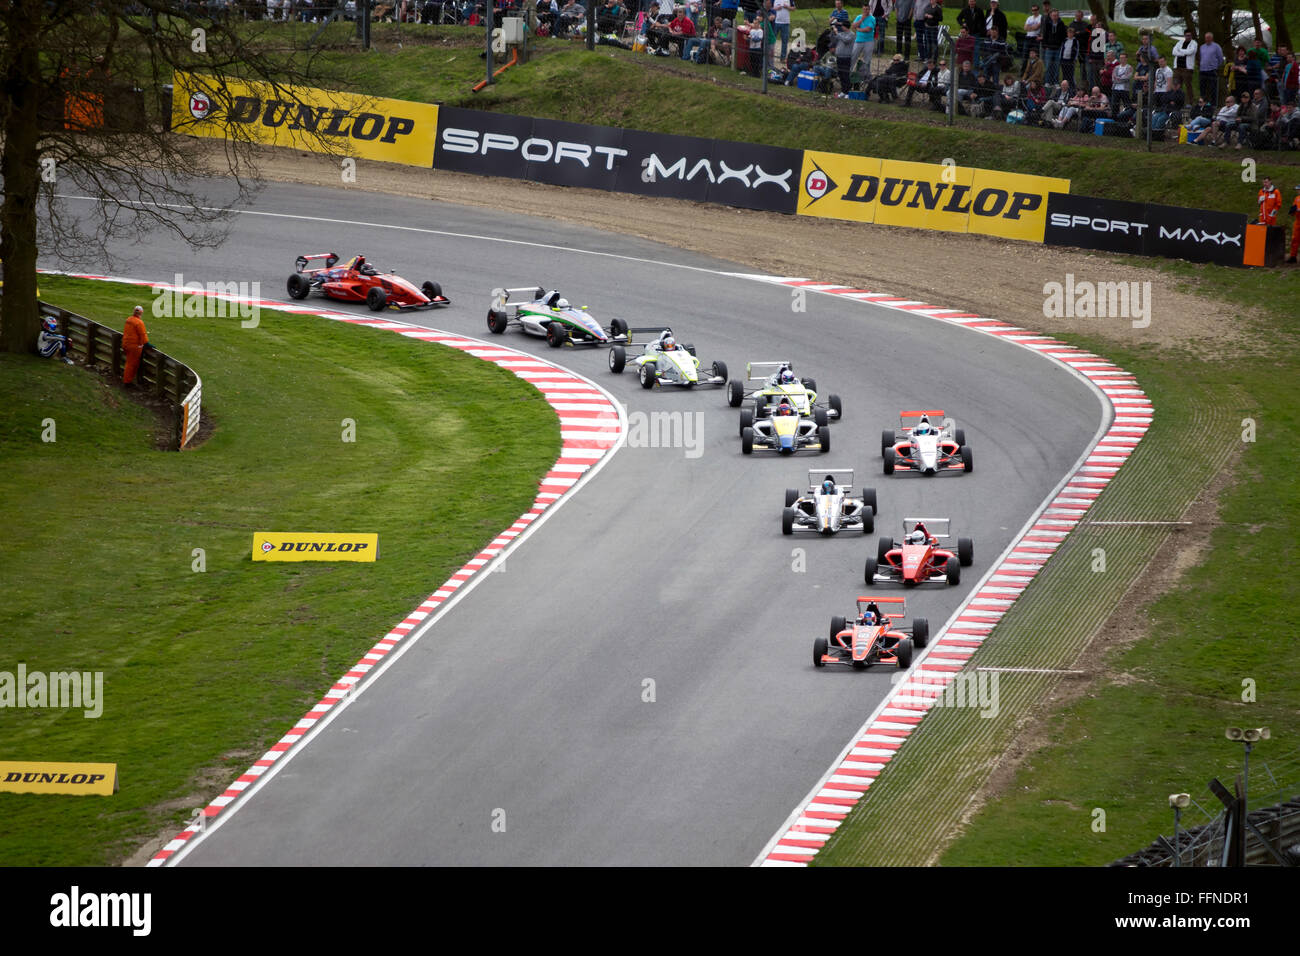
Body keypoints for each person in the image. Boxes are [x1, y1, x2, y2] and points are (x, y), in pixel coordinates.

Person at [122, 305, 150, 387]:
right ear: (141, 313)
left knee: (129, 363)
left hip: (125, 344)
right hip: (134, 346)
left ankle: (128, 380)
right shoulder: (139, 322)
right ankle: (127, 382)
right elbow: (142, 334)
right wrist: (147, 343)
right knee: (131, 364)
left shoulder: (128, 319)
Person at [850, 4, 876, 88]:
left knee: (867, 59)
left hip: (868, 41)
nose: (865, 11)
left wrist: (858, 29)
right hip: (858, 41)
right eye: (864, 9)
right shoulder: (859, 17)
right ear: (862, 9)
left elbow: (868, 29)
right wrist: (861, 20)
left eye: (867, 9)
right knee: (853, 56)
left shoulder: (872, 18)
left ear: (870, 10)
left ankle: (865, 76)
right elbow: (853, 26)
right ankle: (849, 72)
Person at [1200, 31, 1225, 107]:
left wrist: (1216, 66)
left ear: (1211, 38)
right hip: (1203, 70)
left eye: (1208, 38)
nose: (1207, 39)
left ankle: (1213, 104)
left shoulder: (1216, 47)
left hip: (1212, 70)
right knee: (1203, 88)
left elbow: (1220, 58)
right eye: (1206, 38)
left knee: (1213, 88)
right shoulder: (1202, 47)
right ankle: (1202, 103)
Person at [1286, 185, 1300, 263]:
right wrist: (1292, 211)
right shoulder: (1297, 198)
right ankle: (1293, 256)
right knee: (1295, 239)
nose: (1297, 191)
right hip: (1298, 221)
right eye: (1297, 190)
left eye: (1298, 189)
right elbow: (1294, 209)